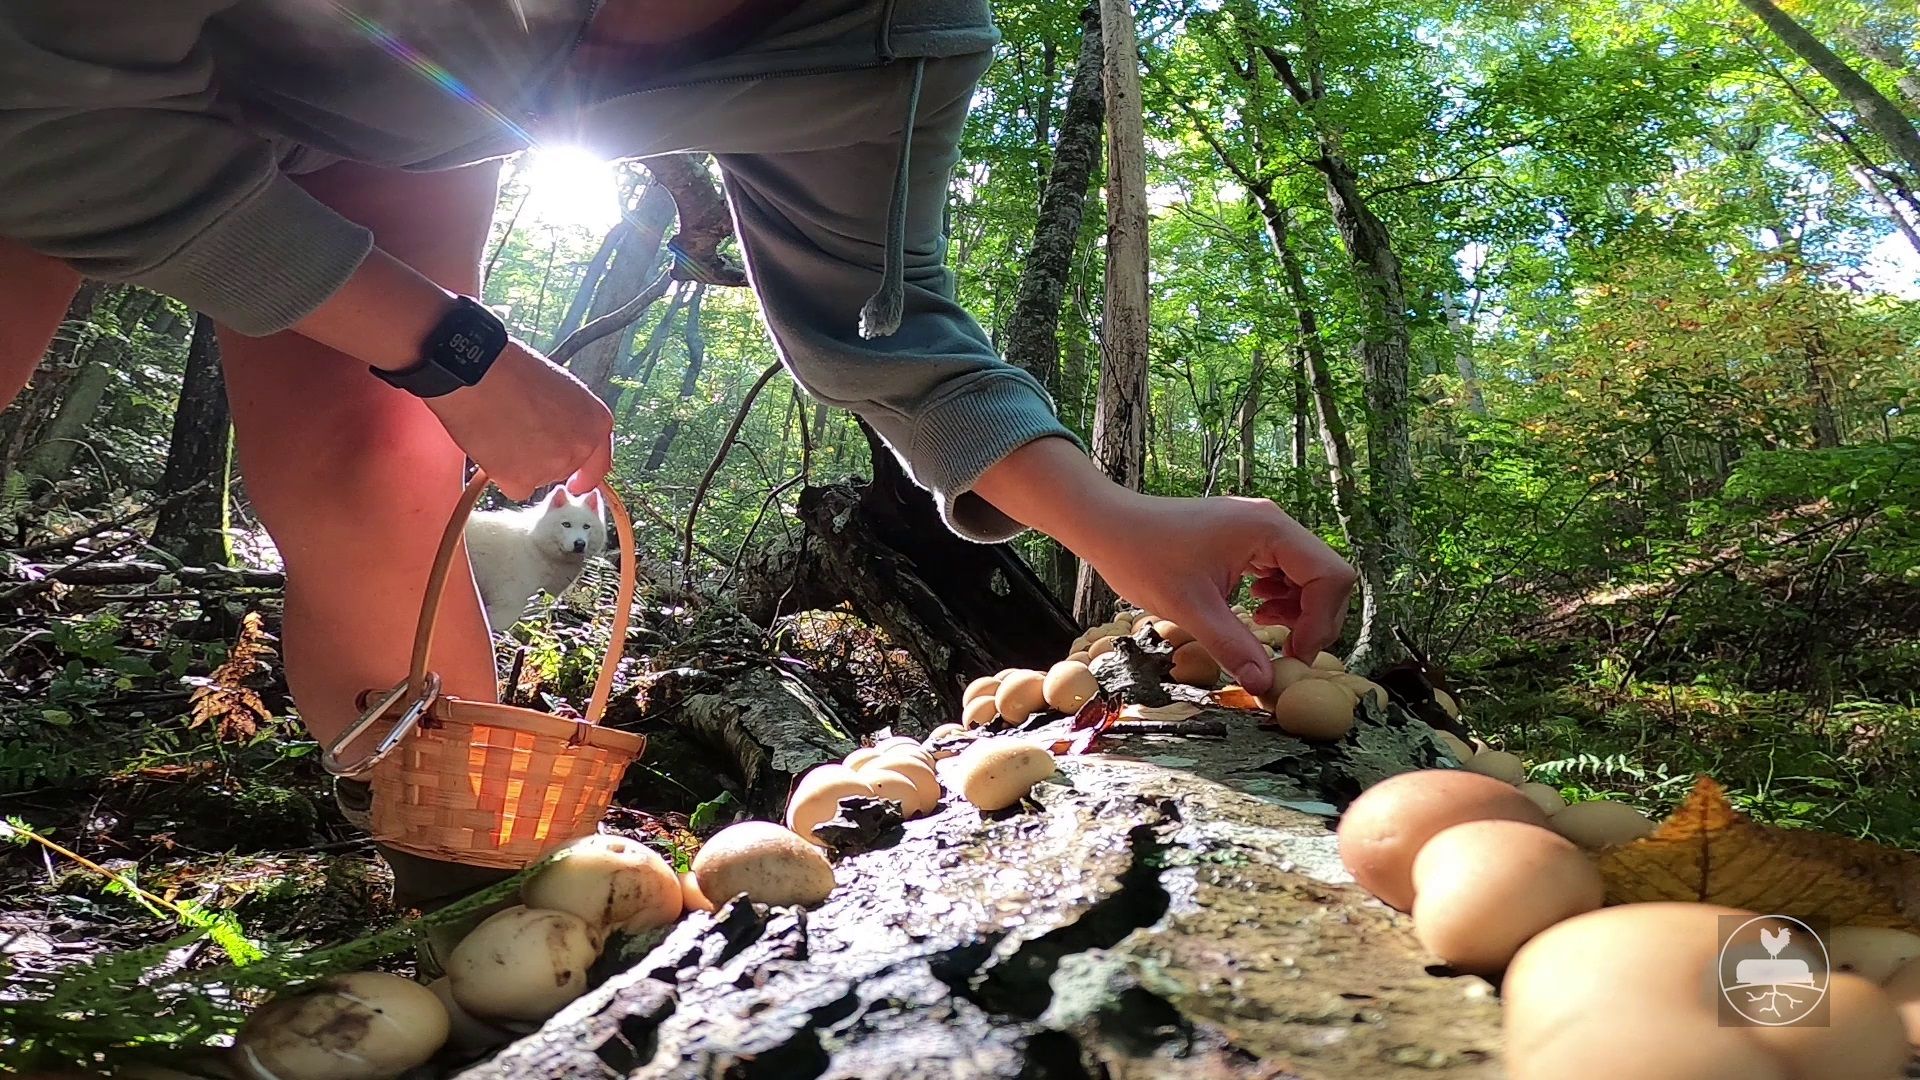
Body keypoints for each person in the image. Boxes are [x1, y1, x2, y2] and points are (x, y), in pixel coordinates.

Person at [0, 0, 1357, 902]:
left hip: (397, 97)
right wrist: (454, 347)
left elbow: (879, 322)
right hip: (73, 69)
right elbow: (44, 121)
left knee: (376, 464)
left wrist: (1113, 521)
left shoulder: (887, 39)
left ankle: (473, 906)